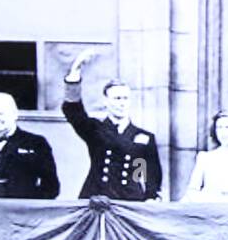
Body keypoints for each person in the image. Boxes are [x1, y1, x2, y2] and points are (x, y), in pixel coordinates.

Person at [61, 48, 162, 201]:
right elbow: (73, 112)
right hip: (97, 198)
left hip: (130, 200)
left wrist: (150, 196)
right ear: (105, 101)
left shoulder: (144, 137)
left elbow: (147, 172)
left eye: (125, 98)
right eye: (117, 98)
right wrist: (74, 74)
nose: (121, 103)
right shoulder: (95, 129)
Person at [0, 92, 60, 199]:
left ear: (14, 114)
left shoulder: (36, 143)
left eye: (0, 114)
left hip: (20, 212)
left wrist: (29, 207)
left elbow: (52, 187)